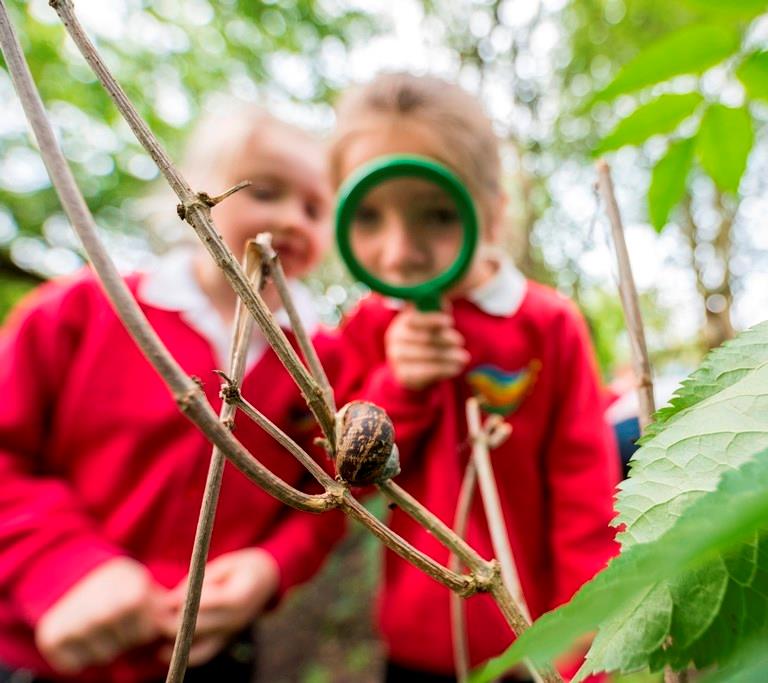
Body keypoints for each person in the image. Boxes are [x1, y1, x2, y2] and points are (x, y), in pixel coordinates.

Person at [0, 104, 342, 683]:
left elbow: (328, 498)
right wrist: (62, 567)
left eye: (313, 207)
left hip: (214, 654)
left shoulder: (325, 365)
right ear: (199, 195)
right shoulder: (87, 310)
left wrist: (269, 567)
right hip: (43, 647)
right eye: (265, 191)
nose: (290, 218)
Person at [330, 73, 619, 682]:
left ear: (492, 209)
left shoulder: (547, 325)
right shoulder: (365, 328)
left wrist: (583, 659)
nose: (400, 251)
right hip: (412, 649)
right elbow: (341, 486)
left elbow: (586, 506)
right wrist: (396, 387)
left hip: (532, 647)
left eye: (435, 214)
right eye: (372, 217)